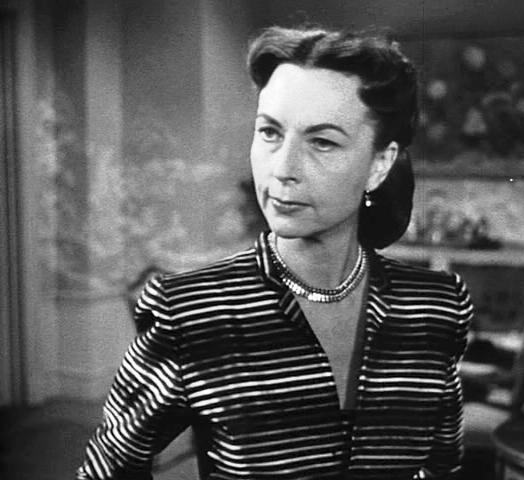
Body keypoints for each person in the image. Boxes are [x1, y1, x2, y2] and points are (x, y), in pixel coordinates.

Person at [77, 25, 472, 480]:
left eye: (322, 142)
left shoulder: (437, 306)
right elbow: (106, 471)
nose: (282, 169)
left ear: (379, 164)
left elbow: (442, 466)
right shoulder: (189, 313)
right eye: (269, 132)